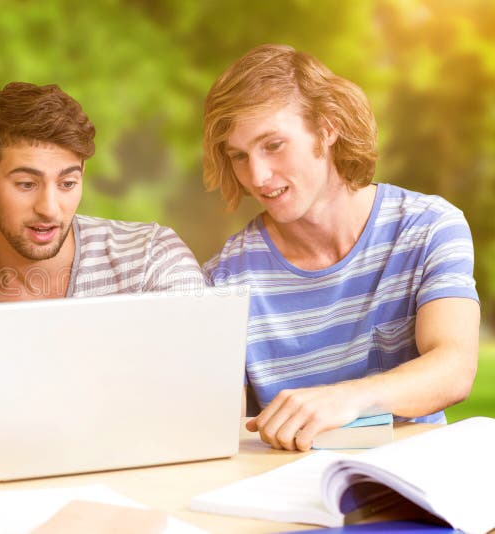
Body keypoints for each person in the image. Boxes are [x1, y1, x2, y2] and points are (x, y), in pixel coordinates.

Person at [202, 44, 479, 451]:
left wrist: (345, 398)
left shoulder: (428, 227)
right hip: (285, 494)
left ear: (327, 129)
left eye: (273, 145)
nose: (257, 176)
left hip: (413, 485)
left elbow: (454, 368)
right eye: (240, 156)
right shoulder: (225, 279)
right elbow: (215, 429)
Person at [0, 82, 207, 395]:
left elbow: (205, 397)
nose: (49, 209)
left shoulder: (151, 260)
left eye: (67, 183)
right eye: (26, 184)